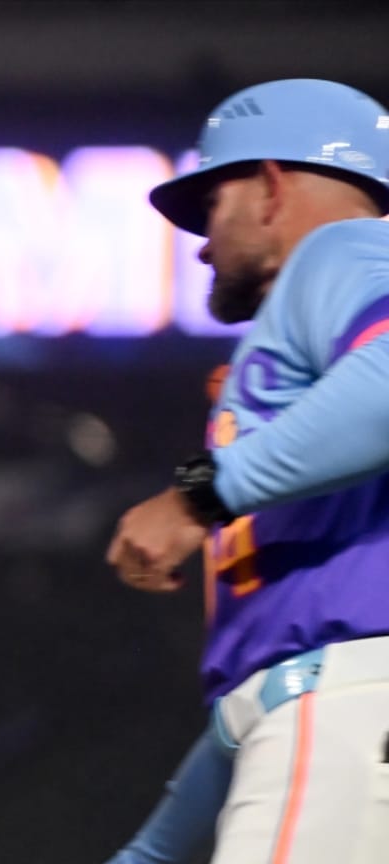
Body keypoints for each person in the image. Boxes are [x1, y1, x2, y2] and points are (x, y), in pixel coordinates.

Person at [104, 78, 389, 864]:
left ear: (269, 187)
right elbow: (268, 685)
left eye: (212, 206)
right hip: (324, 714)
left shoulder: (347, 248)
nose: (201, 241)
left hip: (347, 712)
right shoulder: (324, 320)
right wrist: (155, 849)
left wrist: (199, 496)